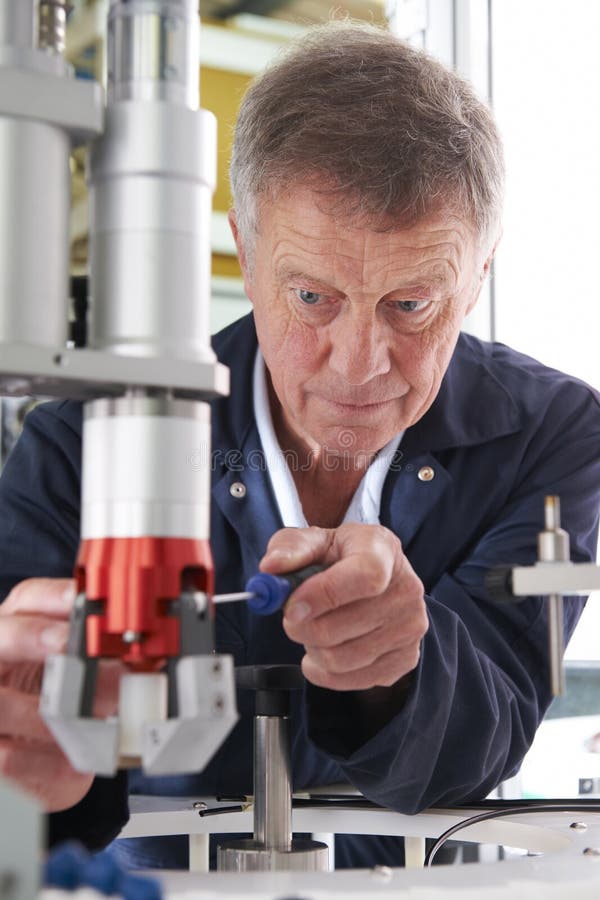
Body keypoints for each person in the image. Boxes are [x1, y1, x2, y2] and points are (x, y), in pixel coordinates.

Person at [0, 21, 599, 871]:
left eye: (412, 305)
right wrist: (38, 768)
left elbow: (487, 734)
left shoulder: (552, 431)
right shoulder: (82, 439)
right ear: (245, 256)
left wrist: (398, 667)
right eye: (313, 297)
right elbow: (24, 793)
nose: (359, 366)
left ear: (479, 278)